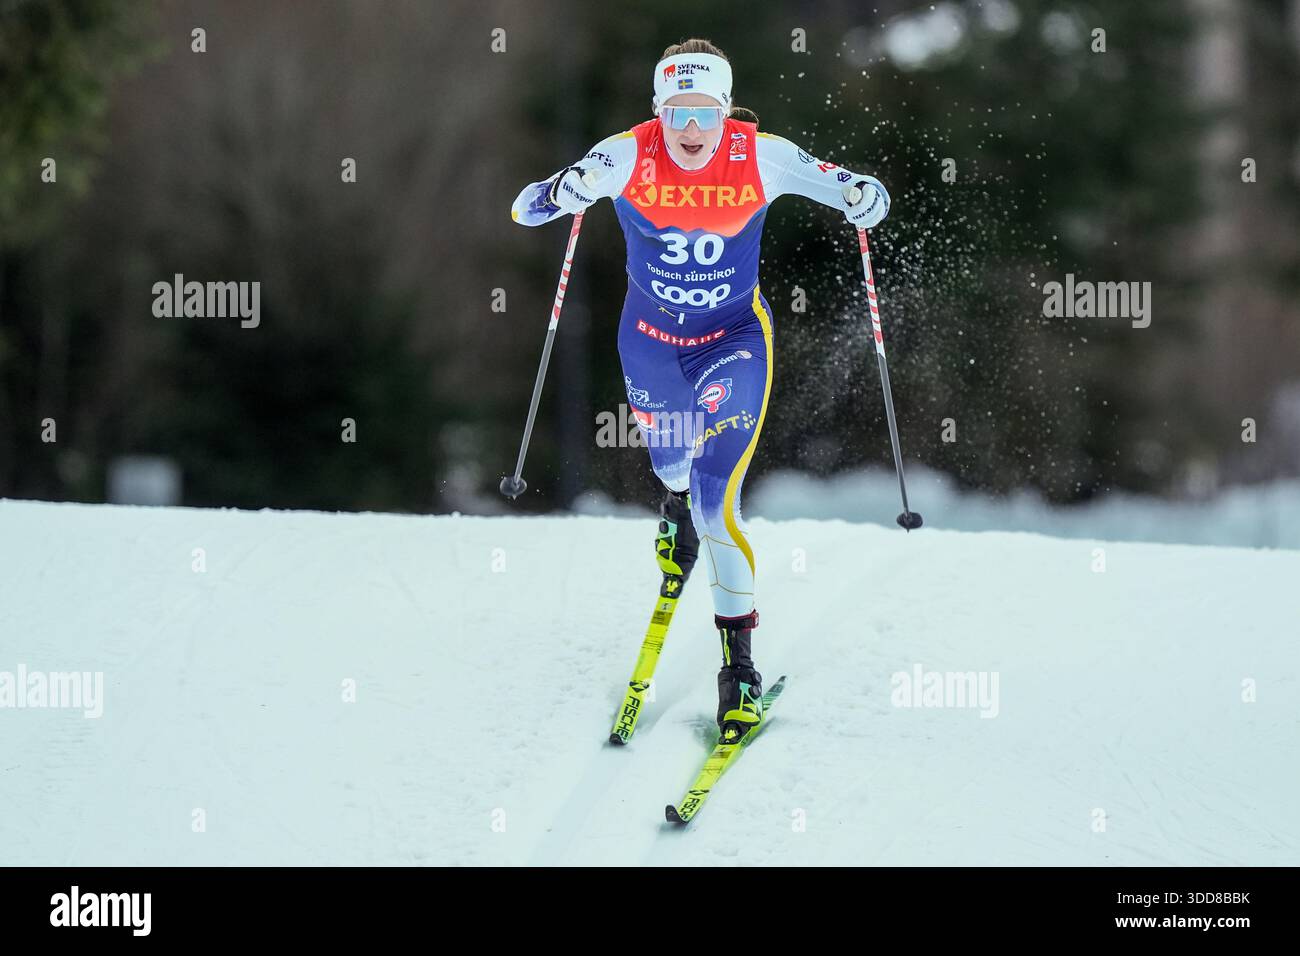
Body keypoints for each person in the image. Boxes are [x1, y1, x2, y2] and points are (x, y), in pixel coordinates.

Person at [511, 38, 889, 742]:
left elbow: (853, 189)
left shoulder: (760, 155)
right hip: (651, 347)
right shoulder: (626, 153)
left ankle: (737, 666)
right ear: (658, 110)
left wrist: (866, 198)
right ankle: (674, 508)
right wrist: (563, 191)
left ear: (725, 111)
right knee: (673, 468)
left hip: (734, 343)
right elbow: (525, 210)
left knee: (718, 502)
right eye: (678, 112)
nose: (691, 130)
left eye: (705, 114)